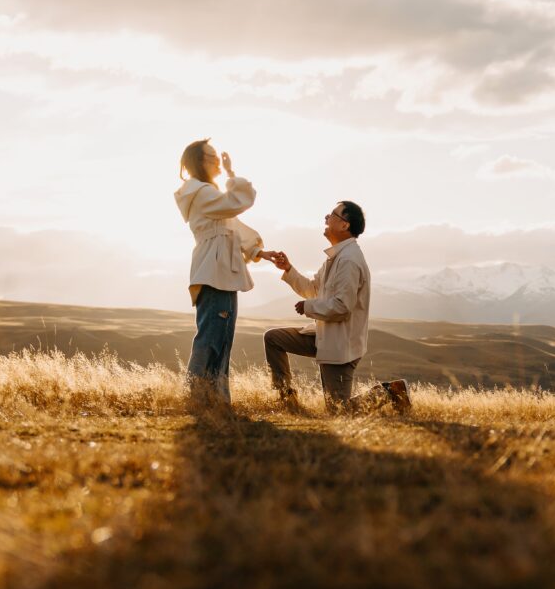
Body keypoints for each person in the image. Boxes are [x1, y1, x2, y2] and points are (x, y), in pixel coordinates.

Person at [260, 201, 409, 414]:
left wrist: (308, 307)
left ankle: (392, 392)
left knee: (339, 411)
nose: (326, 218)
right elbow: (312, 289)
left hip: (341, 344)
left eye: (332, 214)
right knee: (273, 339)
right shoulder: (336, 257)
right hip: (322, 335)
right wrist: (288, 269)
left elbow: (342, 307)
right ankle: (287, 400)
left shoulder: (349, 260)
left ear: (344, 225)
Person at [174, 138, 264, 405]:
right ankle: (199, 397)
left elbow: (232, 224)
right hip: (215, 271)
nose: (217, 160)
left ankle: (214, 399)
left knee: (221, 336)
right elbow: (236, 203)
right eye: (211, 156)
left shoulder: (205, 193)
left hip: (220, 270)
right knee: (212, 336)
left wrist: (258, 251)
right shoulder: (200, 192)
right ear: (198, 161)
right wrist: (232, 174)